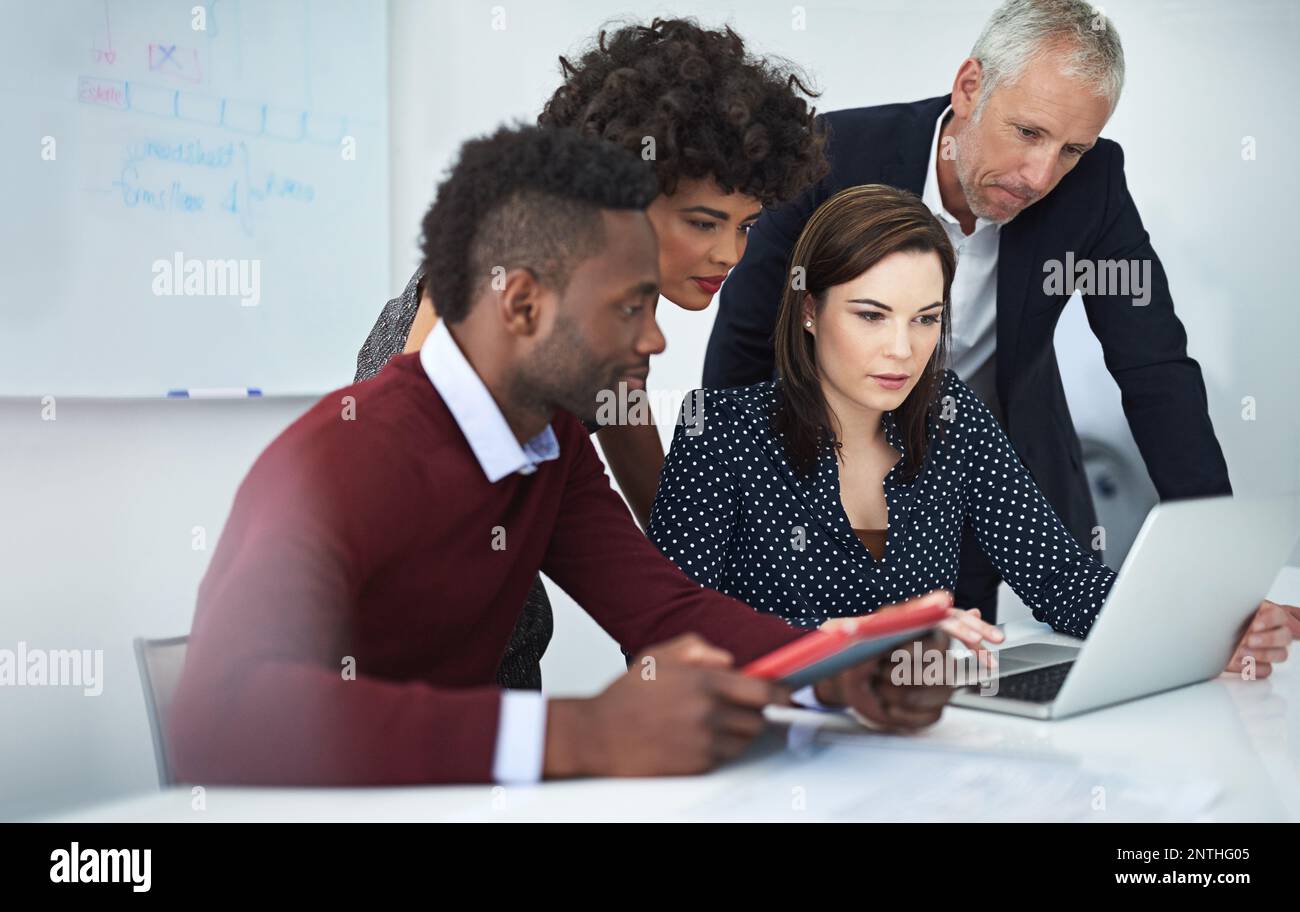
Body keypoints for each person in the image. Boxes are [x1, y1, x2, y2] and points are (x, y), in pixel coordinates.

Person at [168, 125, 953, 786]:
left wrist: (838, 671)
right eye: (626, 308)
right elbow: (219, 722)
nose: (651, 340)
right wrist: (576, 734)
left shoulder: (551, 442)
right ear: (522, 304)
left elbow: (662, 608)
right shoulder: (338, 460)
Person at [354, 18, 830, 691]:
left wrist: (834, 651)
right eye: (703, 223)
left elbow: (652, 566)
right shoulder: (482, 314)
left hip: (498, 684)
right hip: (415, 699)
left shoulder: (599, 308)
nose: (731, 254)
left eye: (746, 226)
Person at [652, 184, 1288, 674]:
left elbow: (1063, 582)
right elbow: (672, 645)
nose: (903, 350)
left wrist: (1204, 627)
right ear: (811, 311)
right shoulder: (719, 435)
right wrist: (861, 650)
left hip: (927, 743)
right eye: (871, 316)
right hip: (773, 755)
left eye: (925, 319)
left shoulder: (949, 415)